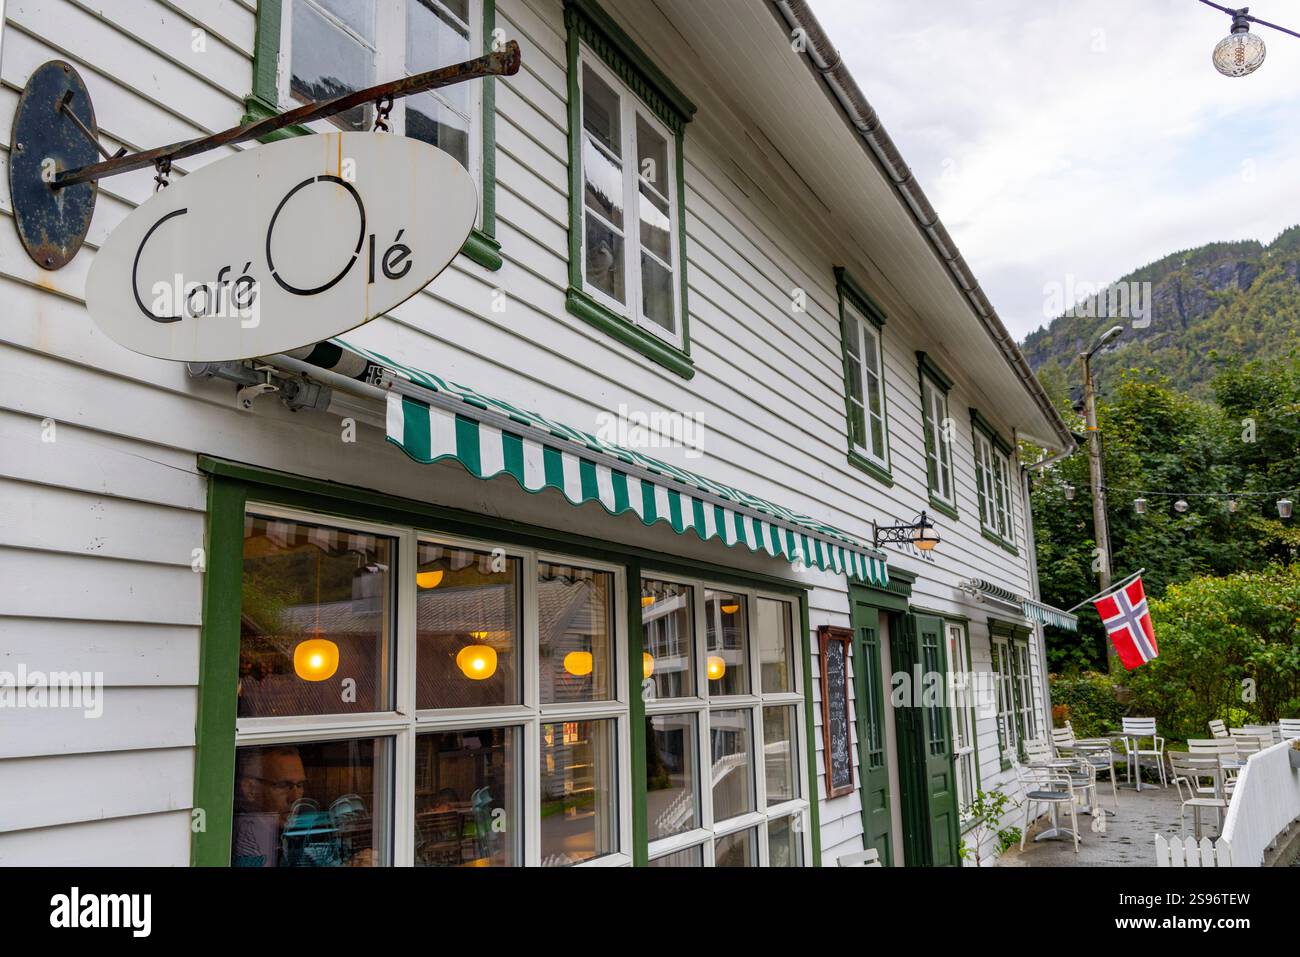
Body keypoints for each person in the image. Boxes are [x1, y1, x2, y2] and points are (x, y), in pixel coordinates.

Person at [232, 745, 375, 867]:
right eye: (283, 785)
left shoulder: (303, 833)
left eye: (299, 785)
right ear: (250, 789)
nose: (295, 798)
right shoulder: (235, 841)